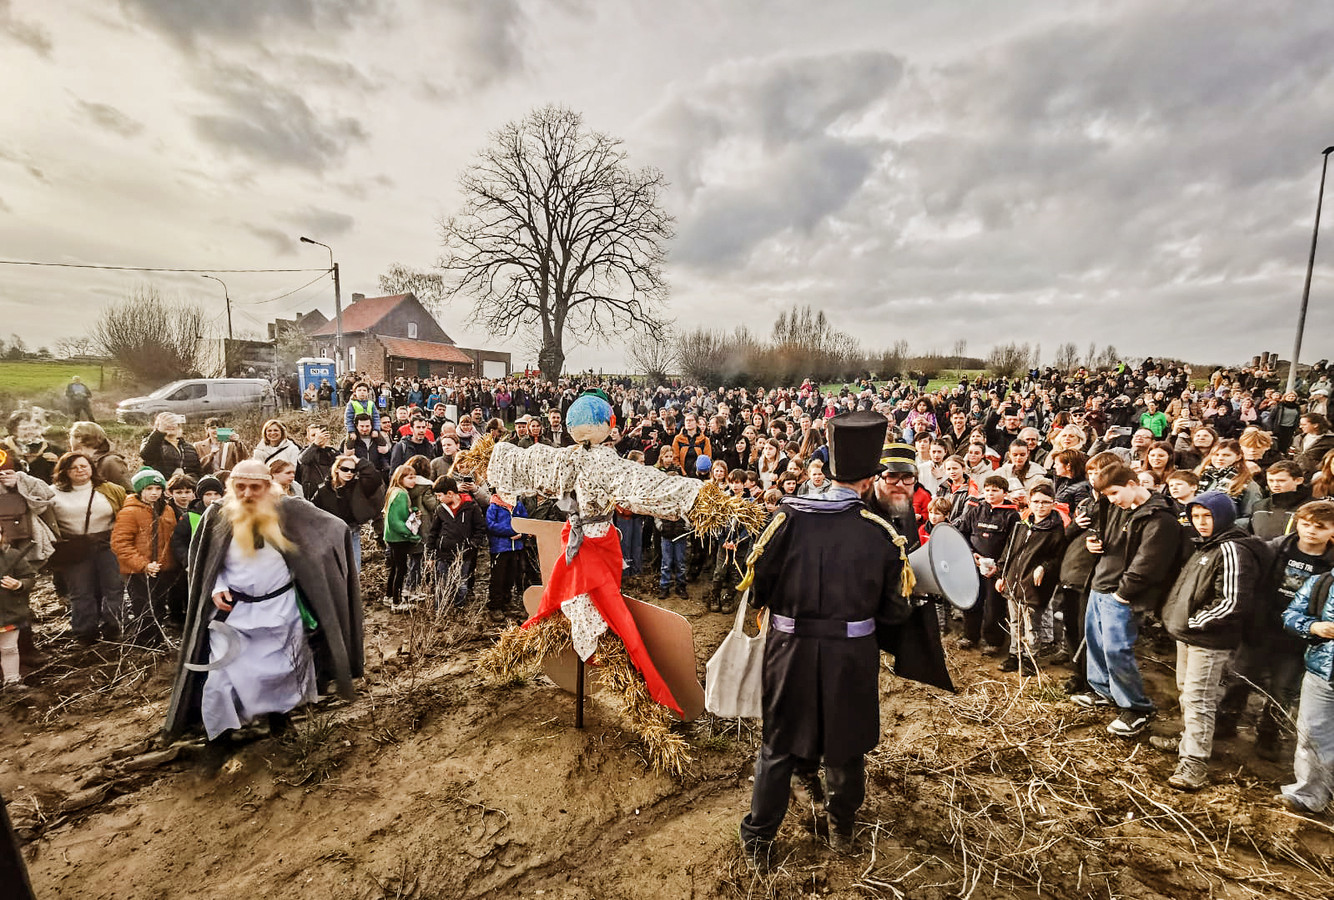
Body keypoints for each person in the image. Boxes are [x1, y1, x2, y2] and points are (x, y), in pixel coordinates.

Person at [737, 410, 914, 867]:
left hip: (788, 649)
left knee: (777, 743)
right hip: (851, 653)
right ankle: (842, 828)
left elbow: (759, 587)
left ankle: (758, 839)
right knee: (845, 743)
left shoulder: (786, 517)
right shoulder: (882, 534)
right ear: (868, 479)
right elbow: (895, 609)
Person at [163, 459, 363, 771]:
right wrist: (216, 585)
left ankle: (280, 722)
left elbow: (334, 529)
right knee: (219, 680)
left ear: (268, 486)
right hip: (234, 615)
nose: (246, 493)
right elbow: (205, 564)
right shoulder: (216, 514)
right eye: (239, 486)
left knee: (282, 672)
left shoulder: (290, 511)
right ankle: (219, 739)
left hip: (281, 610)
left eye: (254, 487)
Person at [1151, 491, 1262, 790]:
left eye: (1207, 516)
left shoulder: (1232, 550)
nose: (1200, 522)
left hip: (1208, 639)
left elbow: (1231, 601)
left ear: (1223, 516)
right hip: (1188, 635)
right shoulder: (1206, 547)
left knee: (1199, 698)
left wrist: (1193, 622)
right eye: (1196, 516)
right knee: (1187, 691)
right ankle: (1188, 739)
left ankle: (1195, 763)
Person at [1071, 462, 1183, 737]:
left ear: (1133, 484)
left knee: (1117, 650)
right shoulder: (1118, 508)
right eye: (1107, 495)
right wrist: (1093, 541)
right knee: (1096, 643)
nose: (1111, 499)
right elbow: (1104, 532)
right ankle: (1102, 690)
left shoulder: (1161, 518)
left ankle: (1136, 707)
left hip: (1122, 594)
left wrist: (1124, 594)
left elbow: (1149, 563)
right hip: (1100, 583)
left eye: (1114, 493)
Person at [49, 451, 125, 642]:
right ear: (64, 471)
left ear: (92, 467)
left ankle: (113, 627)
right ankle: (85, 632)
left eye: (84, 466)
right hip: (74, 548)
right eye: (73, 467)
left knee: (113, 587)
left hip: (107, 543)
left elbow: (124, 513)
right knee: (81, 591)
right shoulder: (53, 493)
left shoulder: (110, 489)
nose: (80, 470)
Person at [1277, 561, 1334, 813]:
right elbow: (1290, 615)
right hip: (1322, 671)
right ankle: (1309, 795)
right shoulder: (1323, 582)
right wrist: (1312, 626)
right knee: (1312, 734)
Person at [995, 481, 1067, 675]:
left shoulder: (1056, 529)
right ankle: (1014, 654)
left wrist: (1044, 567)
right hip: (1013, 581)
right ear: (1029, 502)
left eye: (1045, 502)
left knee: (1031, 624)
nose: (1040, 506)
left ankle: (1030, 658)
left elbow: (1058, 557)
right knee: (1015, 621)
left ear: (1053, 503)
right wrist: (1001, 575)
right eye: (1036, 501)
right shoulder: (1021, 524)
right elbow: (1008, 551)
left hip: (1034, 586)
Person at [111, 468, 179, 647]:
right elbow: (121, 544)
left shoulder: (167, 510)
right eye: (149, 489)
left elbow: (171, 539)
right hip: (138, 572)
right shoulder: (129, 512)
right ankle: (145, 643)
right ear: (140, 490)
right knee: (143, 607)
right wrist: (143, 565)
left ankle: (157, 638)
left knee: (158, 606)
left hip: (162, 569)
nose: (154, 493)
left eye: (158, 488)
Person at [954, 475, 1021, 652]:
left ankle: (994, 642)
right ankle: (970, 636)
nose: (990, 493)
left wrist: (999, 567)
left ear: (1004, 493)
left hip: (996, 569)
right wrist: (971, 554)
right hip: (975, 565)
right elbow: (963, 532)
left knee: (994, 606)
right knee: (973, 601)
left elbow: (1013, 544)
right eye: (988, 489)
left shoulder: (1012, 515)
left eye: (995, 490)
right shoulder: (976, 510)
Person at [310, 453, 384, 574]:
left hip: (352, 531)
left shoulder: (358, 486)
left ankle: (353, 592)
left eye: (353, 470)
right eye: (345, 469)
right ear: (337, 469)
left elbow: (374, 478)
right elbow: (312, 511)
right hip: (331, 534)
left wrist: (360, 462)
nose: (349, 473)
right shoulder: (324, 490)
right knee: (335, 570)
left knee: (354, 570)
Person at [429, 476, 486, 608]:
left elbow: (480, 528)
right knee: (441, 583)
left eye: (439, 495)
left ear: (450, 493)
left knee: (461, 584)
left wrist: (472, 544)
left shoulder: (471, 507)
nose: (438, 499)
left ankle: (459, 607)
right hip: (443, 554)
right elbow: (434, 531)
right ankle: (440, 609)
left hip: (463, 554)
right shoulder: (441, 509)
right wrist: (431, 552)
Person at [383, 464, 423, 611]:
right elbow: (395, 521)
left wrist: (412, 510)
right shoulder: (401, 494)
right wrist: (410, 535)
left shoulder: (394, 491)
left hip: (391, 537)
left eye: (414, 477)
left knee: (394, 567)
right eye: (410, 478)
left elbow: (397, 512)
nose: (413, 481)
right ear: (400, 478)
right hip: (399, 538)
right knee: (401, 569)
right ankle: (397, 601)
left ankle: (388, 595)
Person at [486, 489, 528, 616]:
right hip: (500, 548)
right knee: (498, 577)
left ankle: (506, 601)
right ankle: (495, 605)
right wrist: (513, 530)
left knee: (511, 575)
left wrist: (522, 534)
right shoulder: (494, 507)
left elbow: (525, 522)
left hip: (516, 548)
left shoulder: (518, 505)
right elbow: (491, 526)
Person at [69, 421, 131, 491]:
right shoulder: (84, 460)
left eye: (71, 436)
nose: (69, 440)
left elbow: (128, 493)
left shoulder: (111, 462)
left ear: (79, 438)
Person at [140, 413, 201, 480]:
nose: (170, 425)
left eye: (173, 422)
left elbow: (198, 472)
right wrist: (159, 432)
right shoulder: (152, 443)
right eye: (165, 423)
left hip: (187, 488)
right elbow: (146, 455)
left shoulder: (189, 447)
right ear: (157, 426)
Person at [297, 424, 337, 498]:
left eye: (319, 435)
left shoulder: (333, 453)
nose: (317, 438)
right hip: (311, 494)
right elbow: (303, 460)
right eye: (313, 435)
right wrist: (315, 444)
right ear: (308, 438)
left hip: (329, 493)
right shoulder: (304, 452)